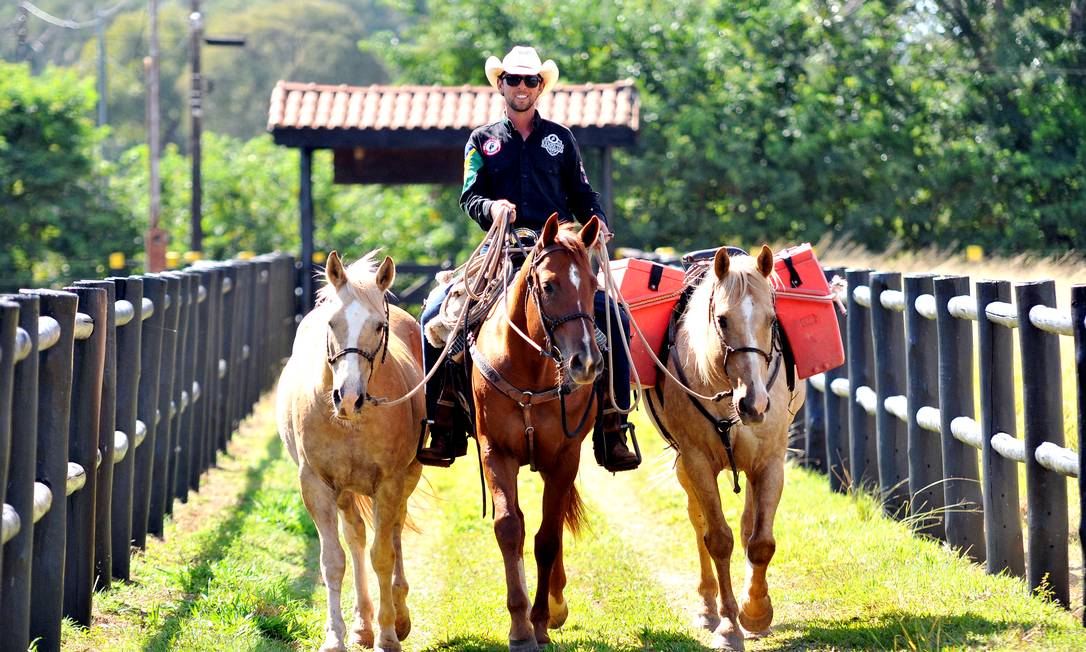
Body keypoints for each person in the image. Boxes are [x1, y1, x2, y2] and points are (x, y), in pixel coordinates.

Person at [417, 46, 639, 472]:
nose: (522, 87)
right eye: (514, 80)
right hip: (500, 252)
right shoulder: (481, 140)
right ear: (501, 84)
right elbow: (469, 195)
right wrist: (491, 207)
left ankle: (613, 423)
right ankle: (441, 420)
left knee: (614, 316)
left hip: (556, 252)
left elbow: (583, 193)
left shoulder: (561, 139)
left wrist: (598, 220)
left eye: (530, 81)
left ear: (540, 87)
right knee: (435, 313)